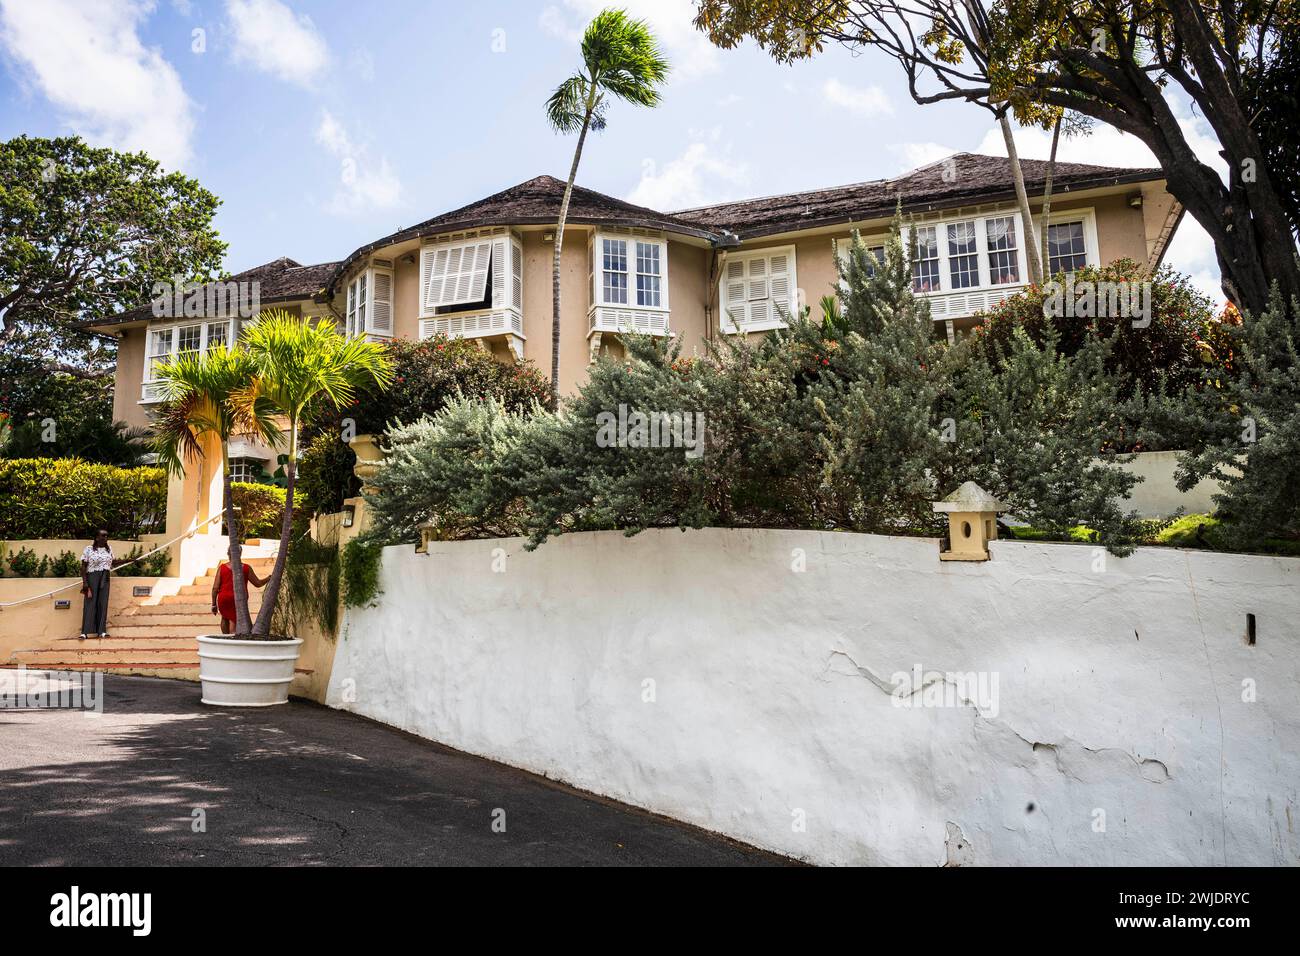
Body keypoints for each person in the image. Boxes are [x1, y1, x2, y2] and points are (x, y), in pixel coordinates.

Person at [211, 559, 267, 634]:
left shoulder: (222, 568)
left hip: (224, 598)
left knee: (224, 617)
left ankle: (225, 637)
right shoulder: (246, 568)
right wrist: (268, 578)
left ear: (228, 554)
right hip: (239, 598)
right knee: (234, 619)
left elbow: (215, 588)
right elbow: (258, 583)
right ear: (239, 553)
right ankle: (232, 637)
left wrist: (214, 604)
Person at [80, 529, 115, 640]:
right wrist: (85, 582)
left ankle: (102, 631)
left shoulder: (109, 550)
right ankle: (85, 632)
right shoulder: (89, 550)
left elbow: (113, 562)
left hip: (105, 577)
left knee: (102, 604)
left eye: (106, 536)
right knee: (90, 604)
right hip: (92, 577)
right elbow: (83, 567)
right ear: (96, 537)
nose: (105, 538)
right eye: (103, 536)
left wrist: (129, 560)